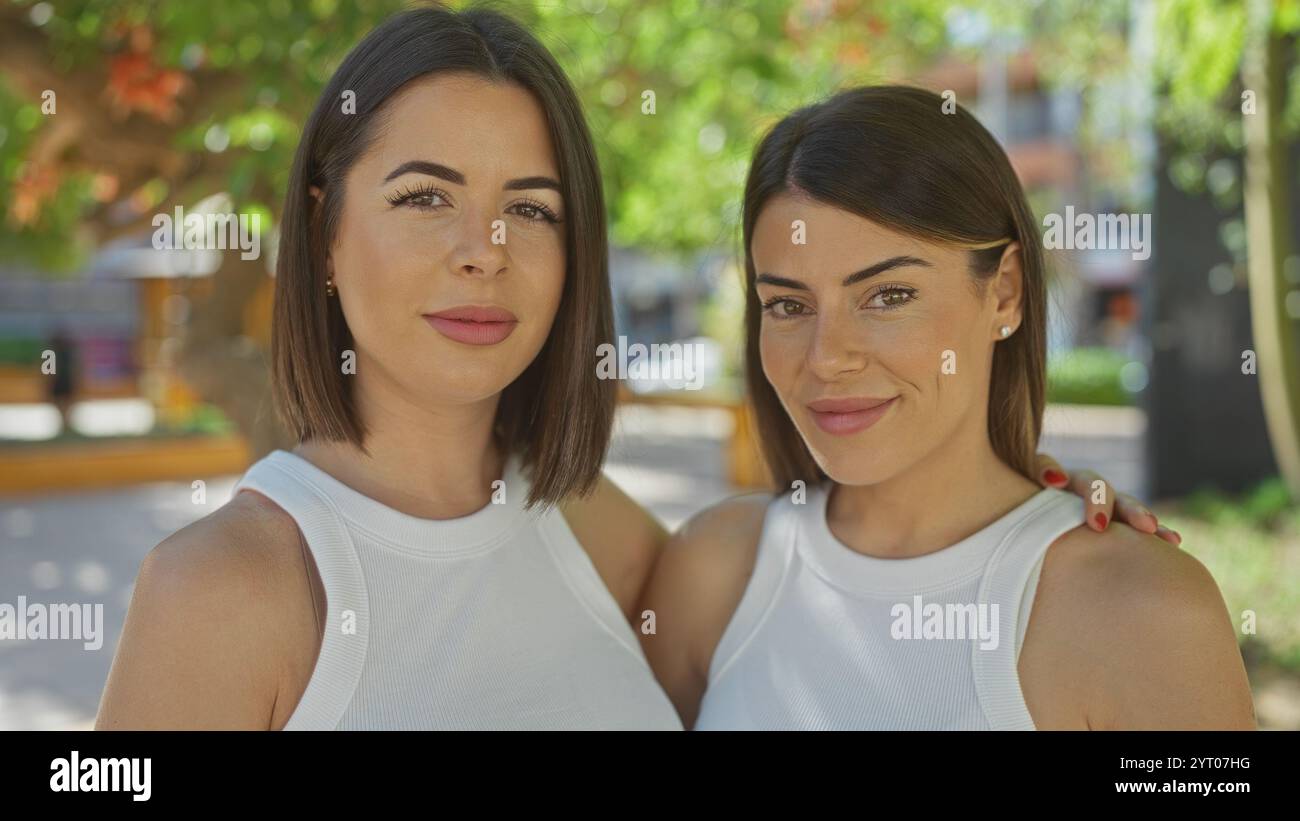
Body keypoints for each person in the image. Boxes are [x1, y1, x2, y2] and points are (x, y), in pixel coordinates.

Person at [96, 8, 1167, 730]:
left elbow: (871, 594)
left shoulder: (591, 527)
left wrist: (1028, 503)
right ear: (324, 233)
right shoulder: (222, 588)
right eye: (424, 196)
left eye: (530, 207)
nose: (485, 248)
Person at [639, 86, 1254, 731]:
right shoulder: (710, 572)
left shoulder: (1145, 611)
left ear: (1006, 293)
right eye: (789, 305)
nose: (827, 358)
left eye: (889, 295)